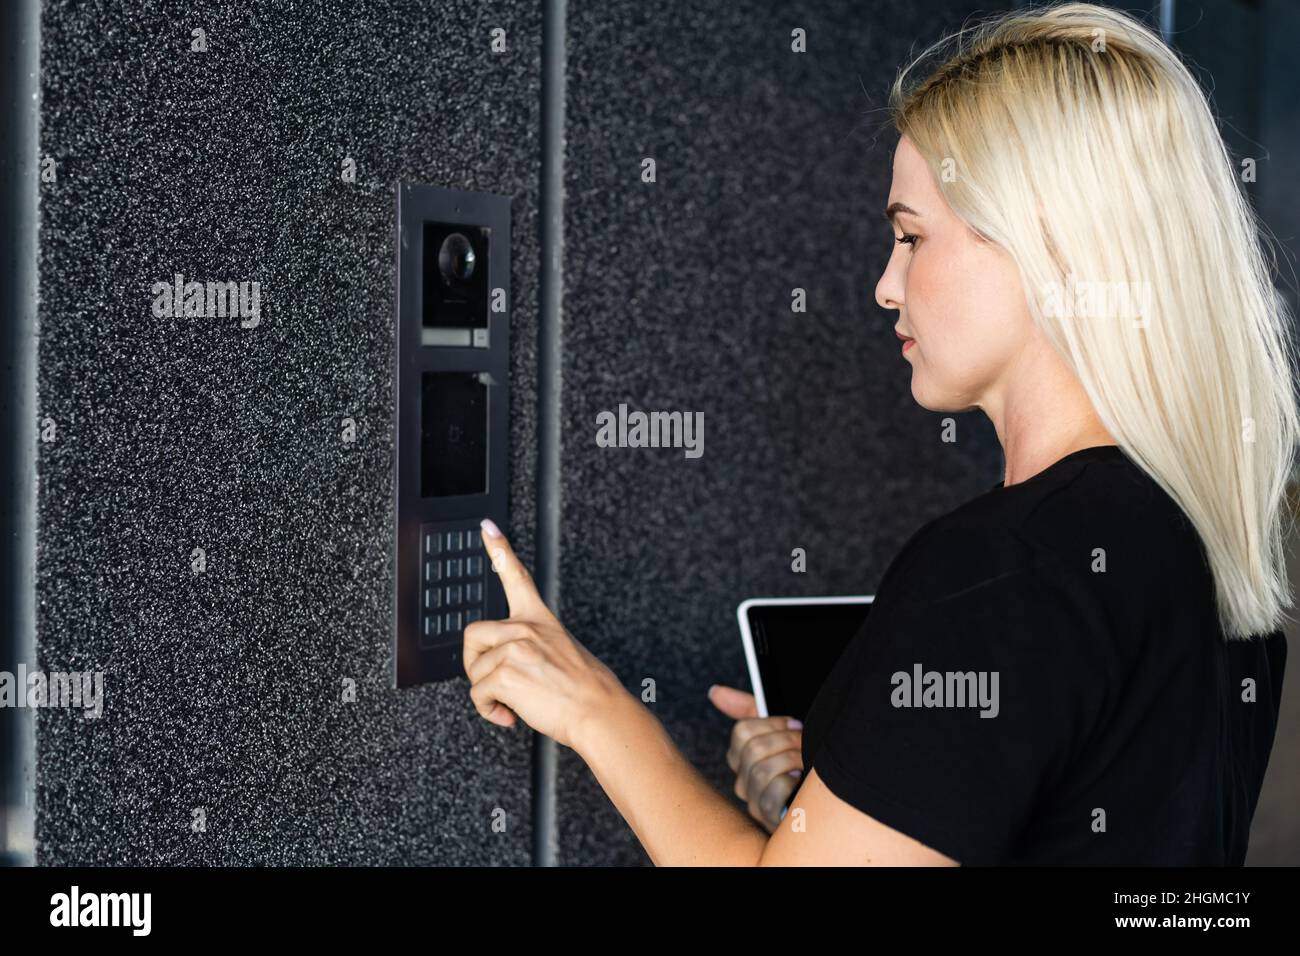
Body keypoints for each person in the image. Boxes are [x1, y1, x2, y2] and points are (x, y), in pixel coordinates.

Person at [462, 2, 1296, 865]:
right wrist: (828, 800)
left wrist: (597, 710)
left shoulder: (1005, 571)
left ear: (1044, 245)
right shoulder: (1202, 543)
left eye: (911, 237)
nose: (885, 287)